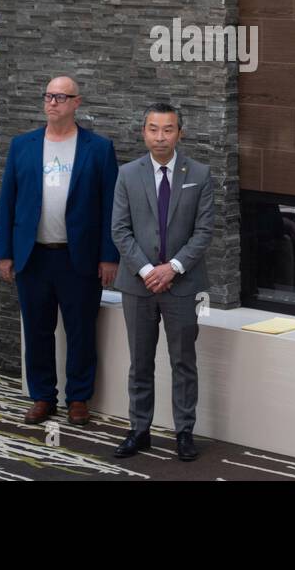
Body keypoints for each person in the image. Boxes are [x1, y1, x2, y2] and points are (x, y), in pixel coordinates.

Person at [0, 76, 119, 426]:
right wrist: (5, 253)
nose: (52, 103)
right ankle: (42, 396)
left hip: (77, 257)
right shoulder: (24, 145)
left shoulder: (98, 148)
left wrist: (108, 255)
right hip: (33, 255)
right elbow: (8, 203)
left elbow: (111, 206)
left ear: (77, 102)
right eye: (49, 96)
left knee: (81, 330)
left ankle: (78, 398)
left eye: (61, 97)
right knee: (37, 329)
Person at [110, 103, 214, 462]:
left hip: (183, 285)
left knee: (183, 361)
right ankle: (139, 431)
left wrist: (172, 268)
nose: (160, 136)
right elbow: (119, 230)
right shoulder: (127, 174)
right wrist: (146, 270)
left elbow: (203, 233)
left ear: (179, 133)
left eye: (168, 129)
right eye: (153, 129)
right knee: (140, 362)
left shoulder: (199, 173)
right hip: (138, 285)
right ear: (144, 132)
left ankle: (184, 432)